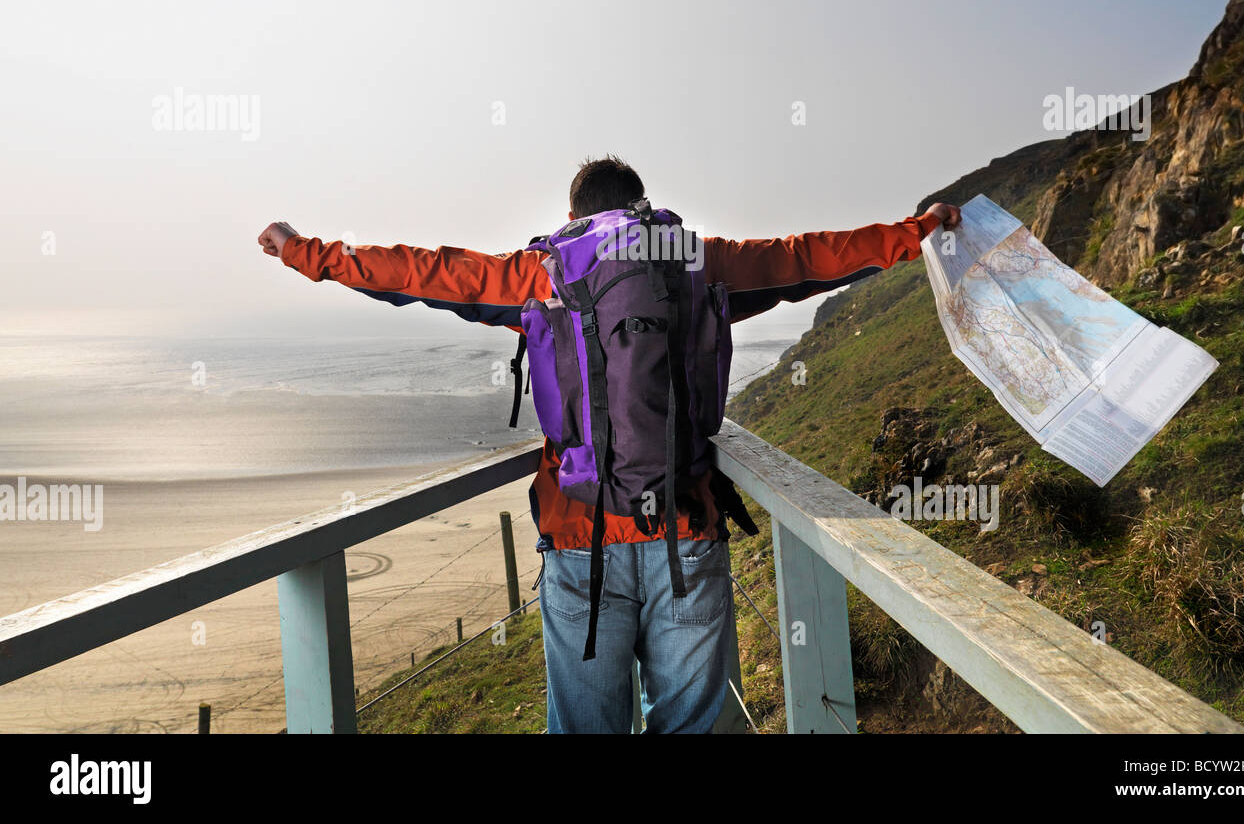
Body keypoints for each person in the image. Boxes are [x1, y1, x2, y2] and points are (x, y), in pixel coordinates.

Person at [257, 154, 961, 733]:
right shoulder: (694, 260)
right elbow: (807, 260)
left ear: (572, 218)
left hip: (578, 536)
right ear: (644, 205)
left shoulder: (543, 273)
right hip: (685, 530)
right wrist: (915, 232)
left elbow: (421, 272)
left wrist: (302, 252)